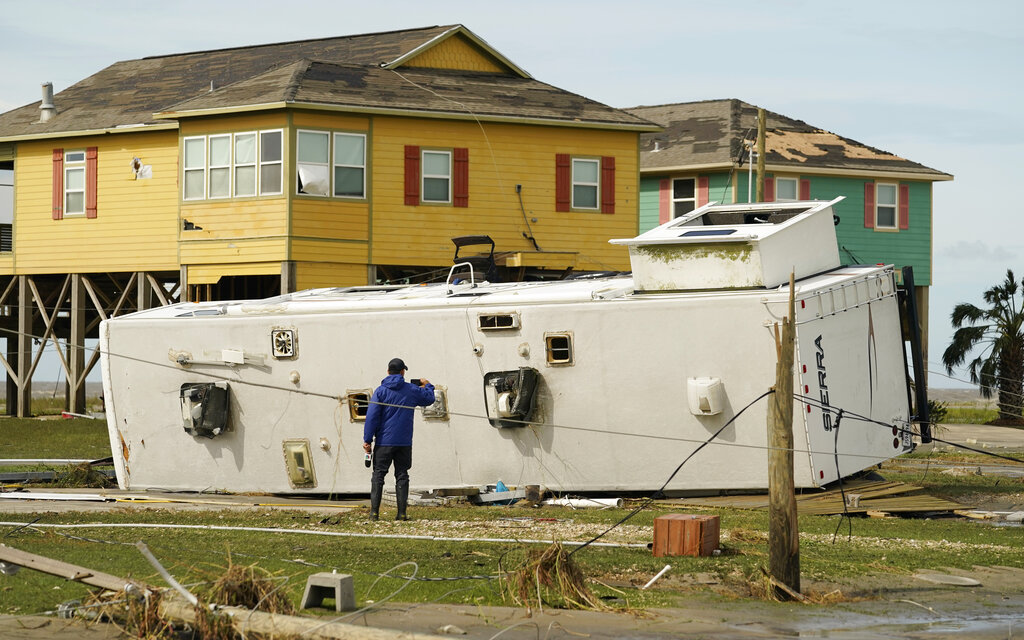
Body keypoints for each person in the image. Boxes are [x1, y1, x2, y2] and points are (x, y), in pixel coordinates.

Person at [363, 357, 435, 521]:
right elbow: (430, 398)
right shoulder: (411, 389)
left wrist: (367, 440)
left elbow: (372, 417)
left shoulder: (380, 391)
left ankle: (374, 514)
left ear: (388, 371)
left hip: (384, 442)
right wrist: (428, 384)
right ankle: (401, 514)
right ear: (403, 372)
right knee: (402, 475)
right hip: (404, 442)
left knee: (378, 475)